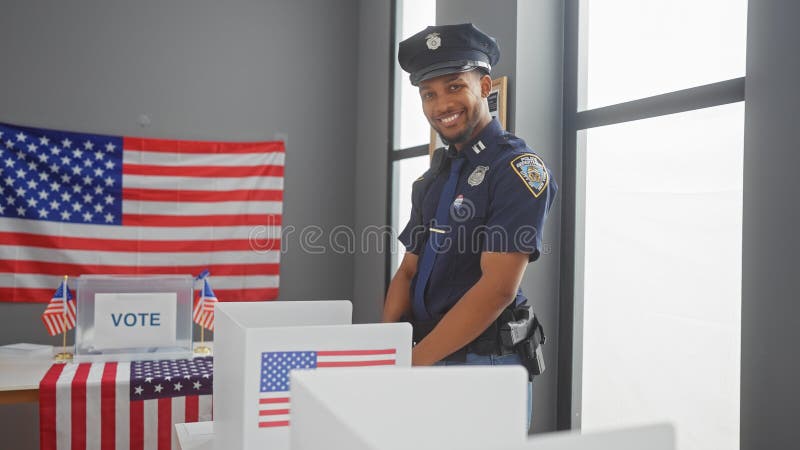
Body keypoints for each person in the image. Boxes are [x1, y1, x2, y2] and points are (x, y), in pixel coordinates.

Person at [382, 23, 558, 429]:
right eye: (429, 94)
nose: (441, 103)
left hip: (486, 364)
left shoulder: (515, 168)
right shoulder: (433, 178)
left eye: (455, 86)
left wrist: (409, 365)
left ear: (486, 86)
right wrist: (383, 351)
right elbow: (409, 270)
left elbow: (498, 289)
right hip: (427, 355)